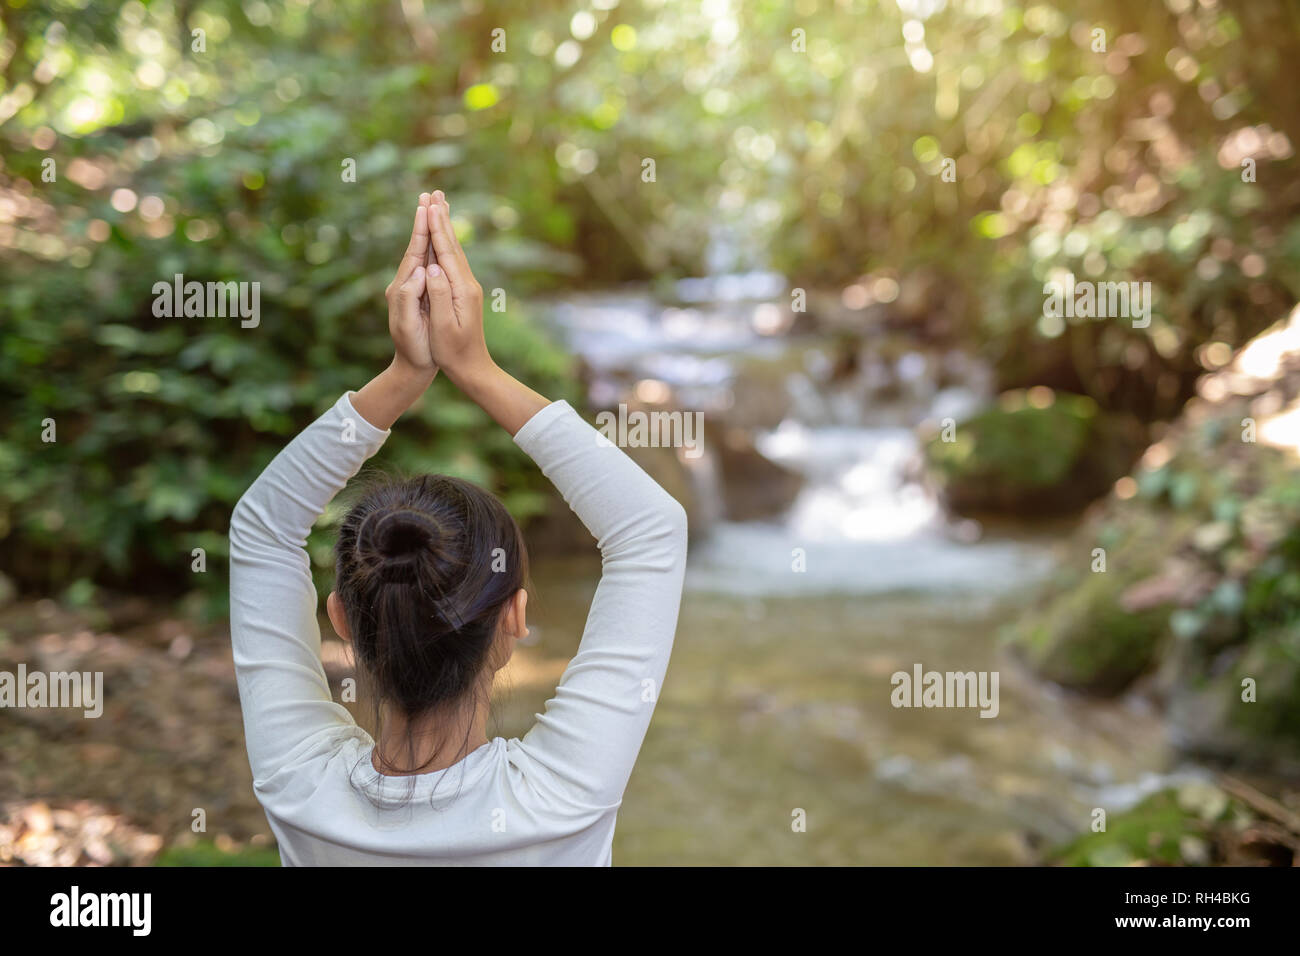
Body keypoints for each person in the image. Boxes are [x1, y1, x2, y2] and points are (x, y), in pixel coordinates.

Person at [228, 191, 688, 864]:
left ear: (344, 621)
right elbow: (652, 528)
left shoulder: (296, 785)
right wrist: (474, 366)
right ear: (513, 621)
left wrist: (402, 377)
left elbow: (261, 530)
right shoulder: (561, 801)